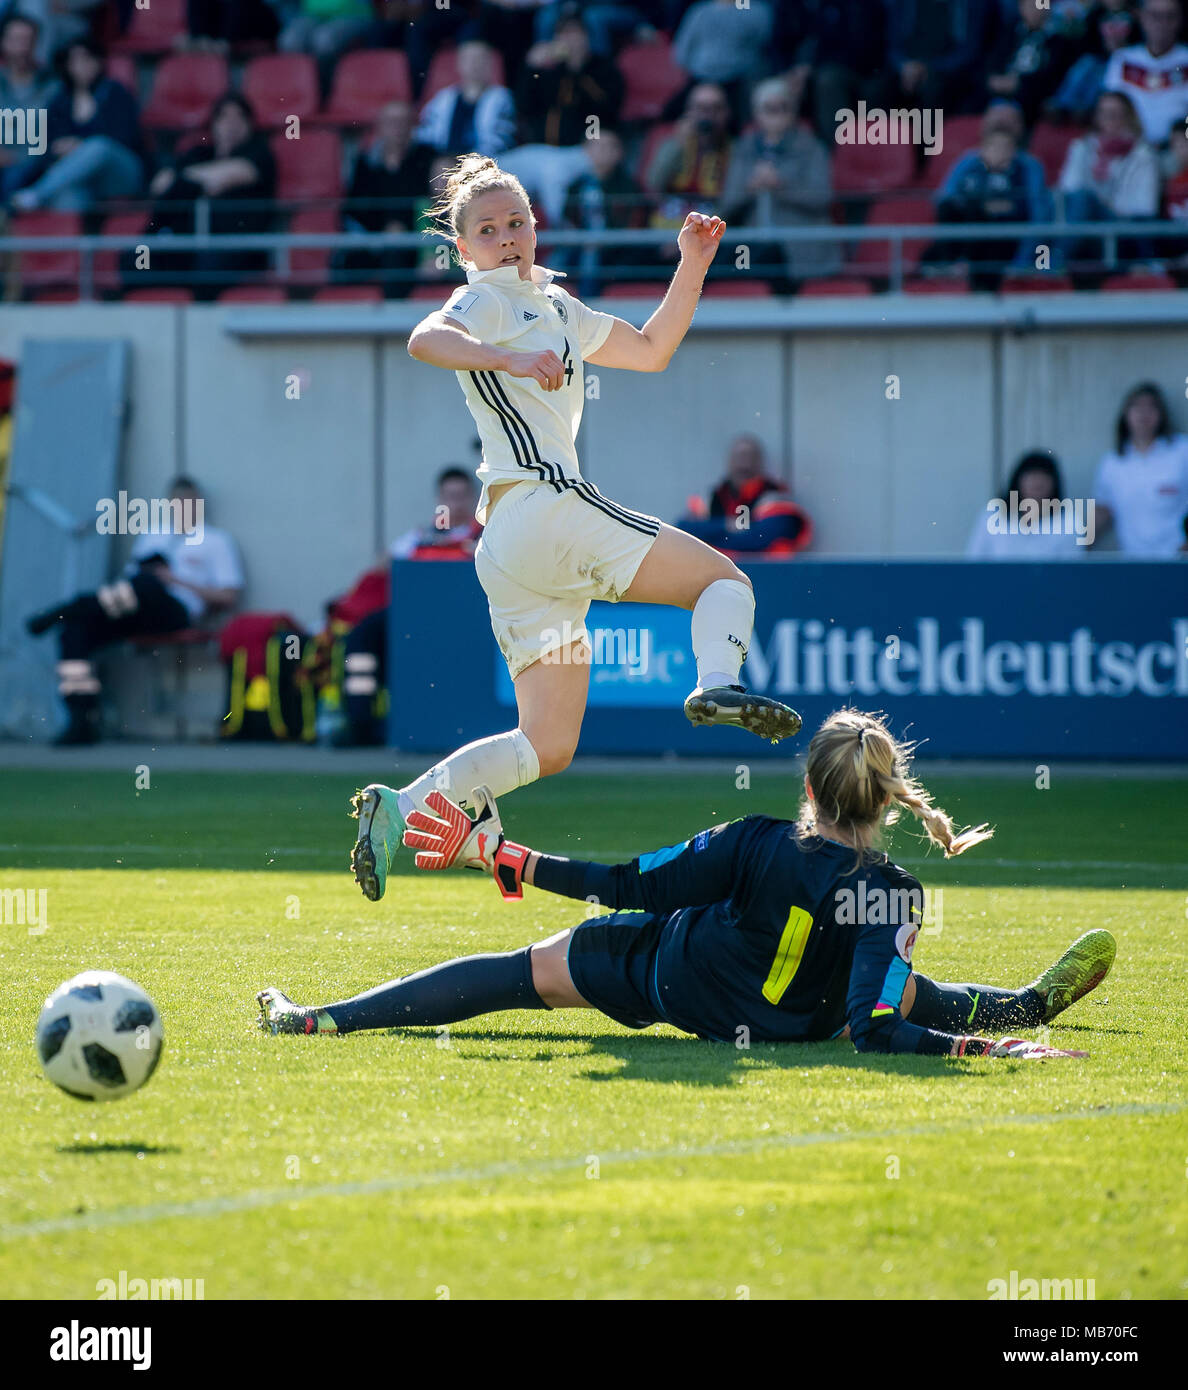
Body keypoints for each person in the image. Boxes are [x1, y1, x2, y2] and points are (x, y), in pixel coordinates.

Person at [345, 152, 801, 904]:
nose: (507, 237)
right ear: (463, 250)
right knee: (725, 581)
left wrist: (693, 262)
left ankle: (396, 813)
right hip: (546, 507)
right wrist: (508, 358)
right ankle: (716, 684)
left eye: (516, 221)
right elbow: (424, 339)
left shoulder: (556, 304)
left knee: (546, 747)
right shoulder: (488, 300)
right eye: (487, 230)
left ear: (535, 225)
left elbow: (652, 351)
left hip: (513, 553)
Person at [259, 707, 1112, 1063]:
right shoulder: (891, 891)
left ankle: (323, 1017)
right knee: (896, 981)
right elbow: (875, 1026)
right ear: (886, 800)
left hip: (673, 978)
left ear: (809, 790)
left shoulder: (753, 840)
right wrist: (974, 1050)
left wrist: (510, 859)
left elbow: (628, 885)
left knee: (521, 973)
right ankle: (1021, 1010)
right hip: (793, 1020)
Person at [24, 477, 244, 745]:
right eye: (178, 501)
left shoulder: (216, 541)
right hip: (133, 609)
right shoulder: (153, 535)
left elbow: (228, 596)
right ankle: (81, 719)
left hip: (176, 612)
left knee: (148, 585)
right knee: (74, 633)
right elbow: (127, 587)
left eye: (190, 501)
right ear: (169, 504)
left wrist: (172, 580)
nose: (184, 507)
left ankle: (65, 610)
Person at [138, 94, 276, 298]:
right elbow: (160, 184)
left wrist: (184, 180)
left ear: (249, 124)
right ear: (213, 123)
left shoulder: (258, 153)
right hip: (188, 240)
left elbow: (227, 176)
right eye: (224, 118)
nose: (231, 124)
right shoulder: (199, 153)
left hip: (235, 245)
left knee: (207, 271)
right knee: (135, 261)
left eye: (239, 118)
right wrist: (192, 181)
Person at [502, 10, 623, 228]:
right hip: (537, 150)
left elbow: (605, 109)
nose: (570, 40)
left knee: (554, 174)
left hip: (577, 151)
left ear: (587, 38)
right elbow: (523, 106)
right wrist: (531, 67)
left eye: (576, 34)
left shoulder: (602, 68)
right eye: (564, 34)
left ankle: (563, 233)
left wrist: (577, 70)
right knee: (494, 172)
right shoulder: (549, 71)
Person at [719, 76, 839, 289]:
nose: (775, 114)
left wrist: (781, 185)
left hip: (802, 249)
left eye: (782, 107)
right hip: (752, 252)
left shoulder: (811, 147)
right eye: (768, 108)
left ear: (792, 111)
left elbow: (822, 196)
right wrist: (750, 187)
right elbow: (727, 204)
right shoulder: (743, 149)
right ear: (756, 113)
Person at [6, 36, 144, 212]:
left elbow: (126, 138)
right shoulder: (60, 100)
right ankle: (71, 239)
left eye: (86, 58)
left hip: (120, 173)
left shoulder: (116, 93)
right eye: (74, 60)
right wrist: (59, 148)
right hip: (79, 176)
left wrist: (80, 145)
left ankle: (35, 194)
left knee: (98, 146)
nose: (81, 65)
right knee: (67, 198)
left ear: (98, 61)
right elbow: (48, 145)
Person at [926, 108, 1051, 288]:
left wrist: (1023, 260)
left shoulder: (1028, 166)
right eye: (993, 147)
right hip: (971, 231)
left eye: (1005, 147)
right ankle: (952, 263)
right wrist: (984, 204)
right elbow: (945, 199)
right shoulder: (969, 162)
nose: (999, 152)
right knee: (961, 210)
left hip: (1007, 235)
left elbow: (1038, 214)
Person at [336, 99, 435, 297]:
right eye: (391, 122)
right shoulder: (365, 163)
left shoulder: (427, 158)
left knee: (396, 256)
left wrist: (402, 226)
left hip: (416, 239)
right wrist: (384, 228)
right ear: (379, 127)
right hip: (373, 238)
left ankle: (395, 318)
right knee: (347, 262)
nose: (397, 128)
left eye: (402, 122)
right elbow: (354, 208)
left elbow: (433, 203)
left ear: (412, 126)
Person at [1059, 89, 1160, 263]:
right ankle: (1052, 267)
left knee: (1084, 200)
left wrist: (1102, 206)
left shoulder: (1143, 155)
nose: (1109, 120)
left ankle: (1053, 265)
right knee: (1080, 200)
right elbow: (1068, 188)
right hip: (1084, 224)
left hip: (1123, 227)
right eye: (1104, 114)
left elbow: (1144, 206)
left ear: (1128, 117)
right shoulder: (1081, 147)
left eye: (1115, 114)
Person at [1092, 381, 1188, 554]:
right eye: (1137, 407)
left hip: (1179, 562)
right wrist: (1074, 545)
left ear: (1161, 414)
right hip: (1134, 564)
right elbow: (1103, 512)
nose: (1144, 414)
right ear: (1126, 414)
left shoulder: (1182, 451)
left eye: (1151, 408)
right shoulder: (1112, 463)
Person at [645, 82, 733, 266]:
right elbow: (652, 185)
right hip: (665, 234)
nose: (707, 116)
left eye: (714, 109)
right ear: (689, 113)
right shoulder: (673, 144)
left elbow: (731, 204)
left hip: (713, 237)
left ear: (726, 113)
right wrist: (678, 144)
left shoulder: (735, 150)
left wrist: (694, 239)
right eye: (701, 108)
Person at [557, 128, 648, 296]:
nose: (602, 152)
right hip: (578, 245)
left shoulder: (629, 187)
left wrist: (604, 240)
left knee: (591, 257)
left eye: (609, 147)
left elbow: (634, 224)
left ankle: (588, 308)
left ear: (619, 152)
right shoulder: (576, 185)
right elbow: (567, 220)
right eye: (596, 146)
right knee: (550, 264)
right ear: (586, 150)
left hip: (615, 250)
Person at [966, 450, 1088, 558]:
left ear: (1055, 484)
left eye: (1044, 476)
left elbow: (1071, 573)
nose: (1038, 483)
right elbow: (974, 565)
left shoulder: (1070, 523)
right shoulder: (991, 519)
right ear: (1017, 481)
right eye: (1032, 476)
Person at [413, 39, 517, 158]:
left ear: (490, 64)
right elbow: (429, 133)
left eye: (480, 59)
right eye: (469, 59)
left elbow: (500, 142)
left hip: (487, 165)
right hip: (445, 162)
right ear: (459, 63)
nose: (475, 64)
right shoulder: (444, 97)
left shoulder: (502, 98)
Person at [1103, 0, 1188, 144]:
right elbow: (1108, 111)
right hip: (1128, 150)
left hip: (1176, 153)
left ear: (1180, 20)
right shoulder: (1123, 59)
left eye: (1170, 16)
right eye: (1155, 16)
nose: (1162, 23)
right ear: (1141, 17)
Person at [0, 13, 56, 188]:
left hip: (37, 165)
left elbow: (54, 137)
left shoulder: (53, 85)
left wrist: (18, 157)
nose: (22, 47)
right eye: (16, 40)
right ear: (3, 42)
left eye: (28, 40)